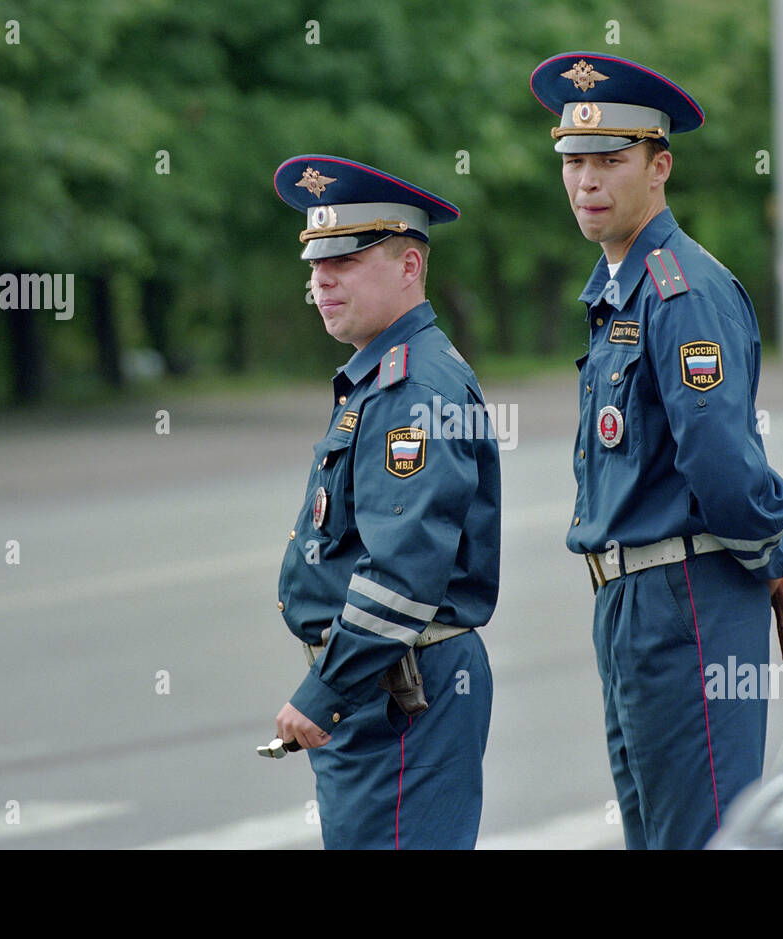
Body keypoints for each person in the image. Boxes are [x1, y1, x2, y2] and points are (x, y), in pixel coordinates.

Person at [529, 52, 783, 849]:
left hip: (686, 601)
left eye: (611, 159)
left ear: (659, 166)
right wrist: (777, 558)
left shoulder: (680, 290)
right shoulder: (619, 290)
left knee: (698, 835)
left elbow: (722, 464)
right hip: (633, 602)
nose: (587, 180)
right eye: (573, 160)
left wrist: (776, 556)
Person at [269, 155, 500, 849]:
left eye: (346, 258)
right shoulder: (381, 376)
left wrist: (324, 689)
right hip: (378, 692)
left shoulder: (412, 388)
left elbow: (402, 572)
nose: (322, 278)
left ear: (409, 266)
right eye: (315, 262)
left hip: (399, 695)